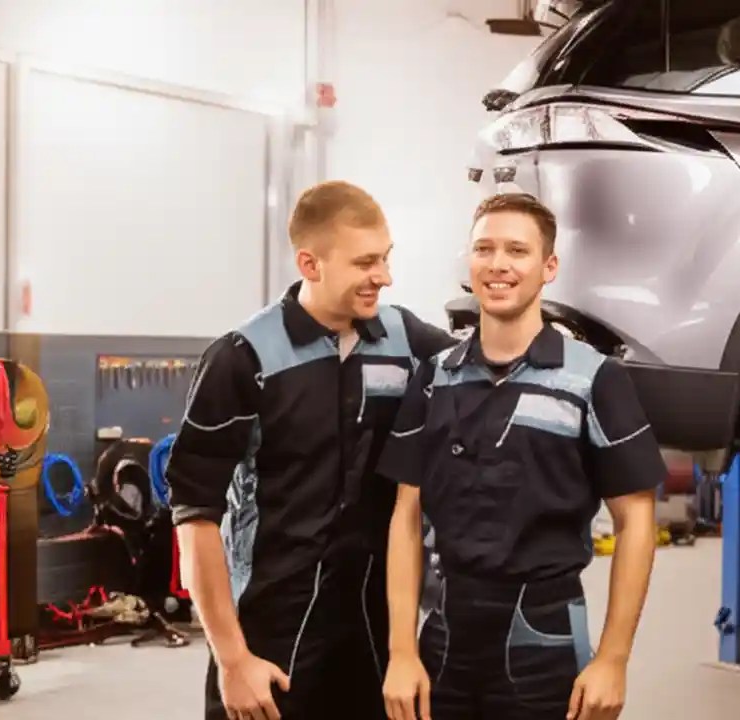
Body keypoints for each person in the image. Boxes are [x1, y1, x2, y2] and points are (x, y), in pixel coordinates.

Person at [166, 180, 457, 720]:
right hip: (270, 636)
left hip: (373, 637)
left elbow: (488, 373)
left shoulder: (407, 341)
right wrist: (232, 661)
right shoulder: (242, 359)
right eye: (366, 262)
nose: (385, 277)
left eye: (387, 259)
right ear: (311, 262)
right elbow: (195, 516)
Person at [378, 193, 665, 720]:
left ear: (548, 266)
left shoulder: (594, 378)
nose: (499, 264)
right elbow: (406, 517)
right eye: (484, 248)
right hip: (443, 631)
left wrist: (613, 660)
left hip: (545, 634)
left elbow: (637, 520)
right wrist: (401, 651)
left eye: (517, 250)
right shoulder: (435, 376)